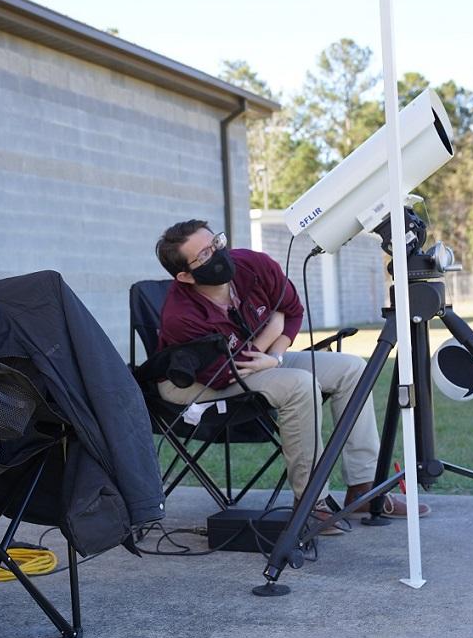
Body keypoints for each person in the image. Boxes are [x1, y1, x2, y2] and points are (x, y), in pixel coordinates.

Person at [154, 219, 429, 529]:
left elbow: (292, 310)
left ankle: (363, 489)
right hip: (197, 386)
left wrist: (276, 353)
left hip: (257, 360)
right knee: (299, 385)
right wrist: (270, 332)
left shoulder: (253, 265)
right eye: (204, 254)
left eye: (216, 242)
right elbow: (220, 375)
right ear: (185, 276)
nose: (218, 253)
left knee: (352, 369)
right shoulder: (181, 315)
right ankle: (311, 501)